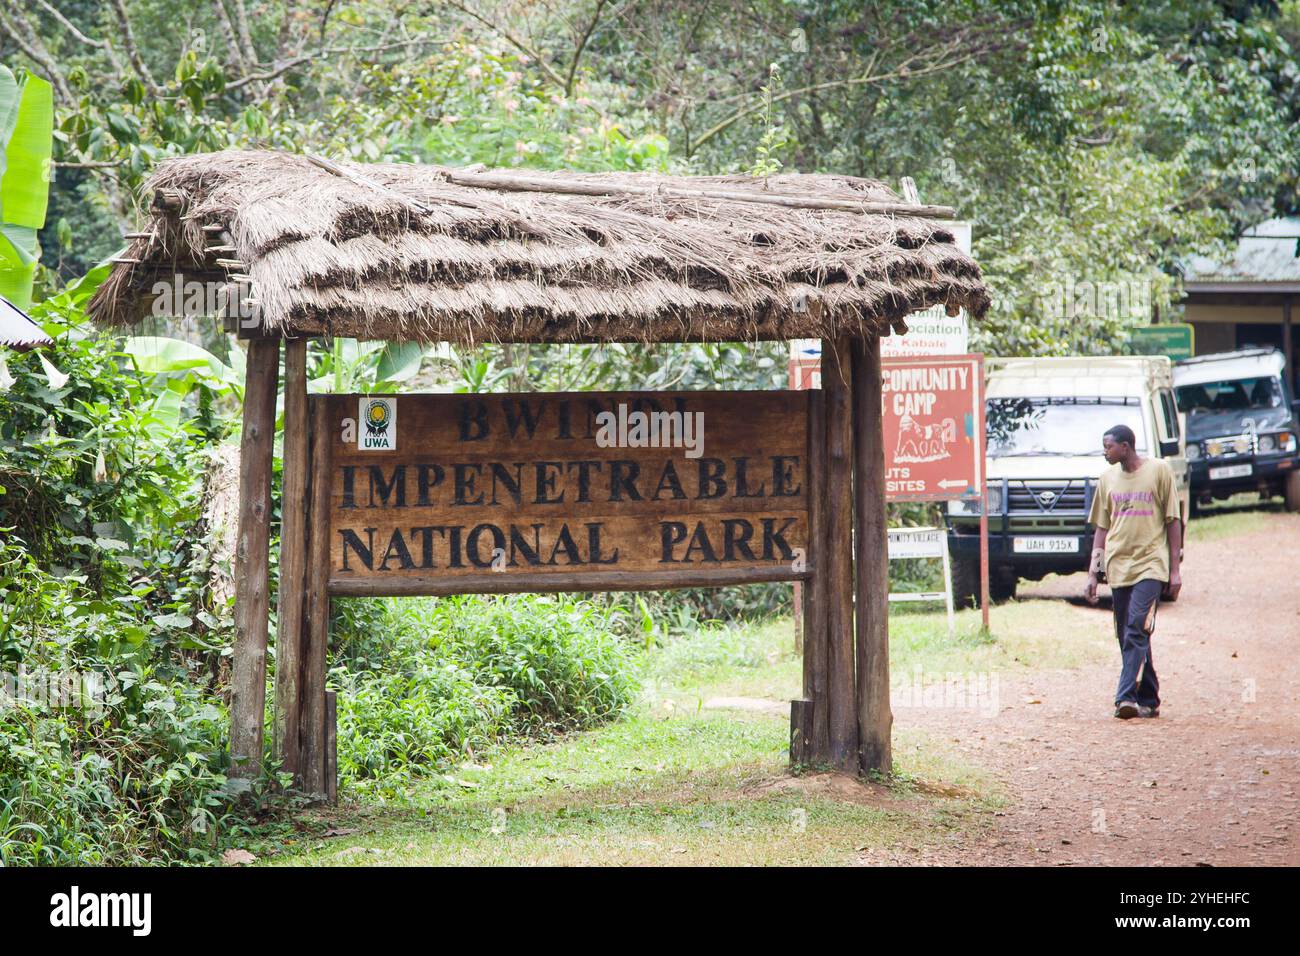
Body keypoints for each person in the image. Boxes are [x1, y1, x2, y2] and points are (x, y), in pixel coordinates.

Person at [1084, 424, 1183, 719]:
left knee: (1136, 627)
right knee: (1128, 634)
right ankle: (1149, 697)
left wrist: (1174, 570)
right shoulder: (1107, 480)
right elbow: (1102, 528)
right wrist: (1094, 571)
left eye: (1108, 446)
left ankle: (1124, 697)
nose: (1105, 452)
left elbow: (1173, 520)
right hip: (1119, 565)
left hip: (1151, 564)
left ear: (1125, 447)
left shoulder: (1159, 471)